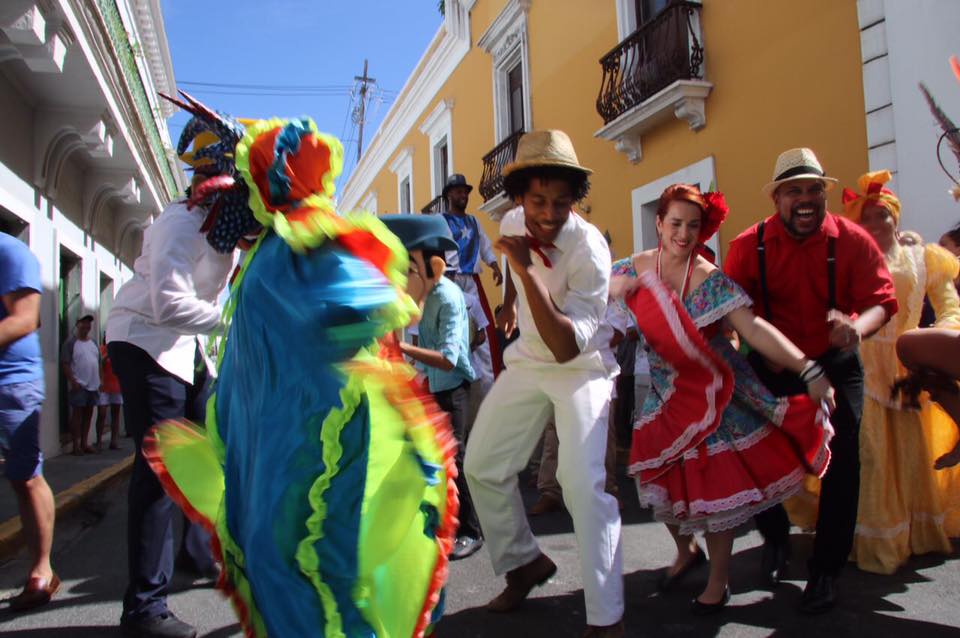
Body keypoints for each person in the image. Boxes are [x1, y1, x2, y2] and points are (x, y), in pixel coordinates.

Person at [142, 109, 457, 638]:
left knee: (300, 560)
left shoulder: (286, 251)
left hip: (310, 443)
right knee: (298, 558)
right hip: (299, 439)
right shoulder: (283, 251)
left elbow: (366, 308)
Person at [610, 184, 834, 615]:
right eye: (675, 223)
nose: (683, 233)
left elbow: (752, 331)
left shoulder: (709, 281)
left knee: (715, 495)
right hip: (663, 396)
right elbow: (600, 311)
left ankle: (719, 580)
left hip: (718, 396)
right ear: (658, 224)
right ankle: (685, 551)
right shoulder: (633, 268)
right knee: (659, 488)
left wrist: (808, 368)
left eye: (693, 226)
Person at [463, 130, 624, 638]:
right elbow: (515, 265)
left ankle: (607, 617)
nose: (549, 213)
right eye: (538, 201)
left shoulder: (591, 252)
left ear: (575, 200)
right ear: (519, 198)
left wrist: (526, 268)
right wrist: (511, 298)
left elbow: (566, 347)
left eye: (561, 202)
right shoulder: (514, 220)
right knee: (483, 466)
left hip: (580, 368)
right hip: (529, 362)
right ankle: (524, 564)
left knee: (581, 485)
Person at [724, 147, 898, 614]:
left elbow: (883, 299)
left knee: (843, 462)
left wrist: (855, 329)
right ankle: (776, 537)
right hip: (772, 364)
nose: (805, 199)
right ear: (777, 198)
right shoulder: (748, 245)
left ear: (823, 194)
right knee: (752, 451)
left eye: (814, 190)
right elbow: (731, 311)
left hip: (836, 363)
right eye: (794, 190)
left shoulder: (852, 239)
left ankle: (825, 570)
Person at [107, 92, 256, 638]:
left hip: (183, 349)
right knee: (157, 472)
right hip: (145, 341)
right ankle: (143, 609)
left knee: (206, 451)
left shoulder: (222, 231)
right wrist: (235, 326)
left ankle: (198, 552)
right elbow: (170, 304)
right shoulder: (179, 222)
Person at [784, 170, 960, 574]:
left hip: (906, 366)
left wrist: (934, 338)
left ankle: (912, 535)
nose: (876, 223)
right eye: (866, 217)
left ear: (896, 216)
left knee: (910, 457)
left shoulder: (925, 257)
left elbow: (949, 305)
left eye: (882, 214)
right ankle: (866, 538)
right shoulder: (848, 260)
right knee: (871, 455)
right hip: (862, 366)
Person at [394, 219, 483, 561]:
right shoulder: (424, 296)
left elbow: (447, 358)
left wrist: (403, 350)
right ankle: (446, 525)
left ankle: (472, 531)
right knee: (434, 459)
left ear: (433, 266)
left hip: (456, 388)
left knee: (455, 460)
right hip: (435, 386)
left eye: (411, 266)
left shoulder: (447, 297)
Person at [0, 232, 58, 612]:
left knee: (25, 476)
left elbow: (25, 319)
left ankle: (42, 570)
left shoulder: (10, 250)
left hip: (12, 380)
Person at [441, 173, 504, 376]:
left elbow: (484, 246)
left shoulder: (474, 222)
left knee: (483, 330)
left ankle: (487, 380)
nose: (464, 195)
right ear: (449, 195)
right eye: (459, 191)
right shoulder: (441, 221)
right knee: (454, 328)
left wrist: (494, 265)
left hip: (473, 282)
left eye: (465, 192)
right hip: (451, 280)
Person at [61, 314, 100, 455]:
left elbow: (97, 362)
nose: (86, 326)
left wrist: (99, 380)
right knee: (77, 415)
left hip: (93, 384)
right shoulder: (71, 343)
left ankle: (85, 443)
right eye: (83, 323)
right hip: (79, 384)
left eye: (88, 324)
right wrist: (72, 380)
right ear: (77, 324)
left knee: (89, 414)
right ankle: (75, 445)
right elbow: (65, 363)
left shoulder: (93, 343)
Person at [96, 337, 123, 450]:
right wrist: (107, 355)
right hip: (104, 386)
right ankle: (98, 441)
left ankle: (114, 441)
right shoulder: (101, 349)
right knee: (102, 413)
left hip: (116, 385)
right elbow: (99, 364)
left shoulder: (119, 351)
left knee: (115, 414)